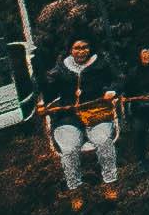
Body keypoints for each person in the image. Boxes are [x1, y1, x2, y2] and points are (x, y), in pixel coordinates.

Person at [46, 23, 119, 202]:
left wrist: (113, 90)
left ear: (90, 48)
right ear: (70, 50)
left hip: (96, 113)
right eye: (77, 48)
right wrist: (42, 99)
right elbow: (47, 90)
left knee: (103, 141)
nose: (81, 51)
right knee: (69, 148)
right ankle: (75, 189)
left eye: (85, 47)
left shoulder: (101, 64)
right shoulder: (60, 70)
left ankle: (110, 182)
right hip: (68, 118)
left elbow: (119, 80)